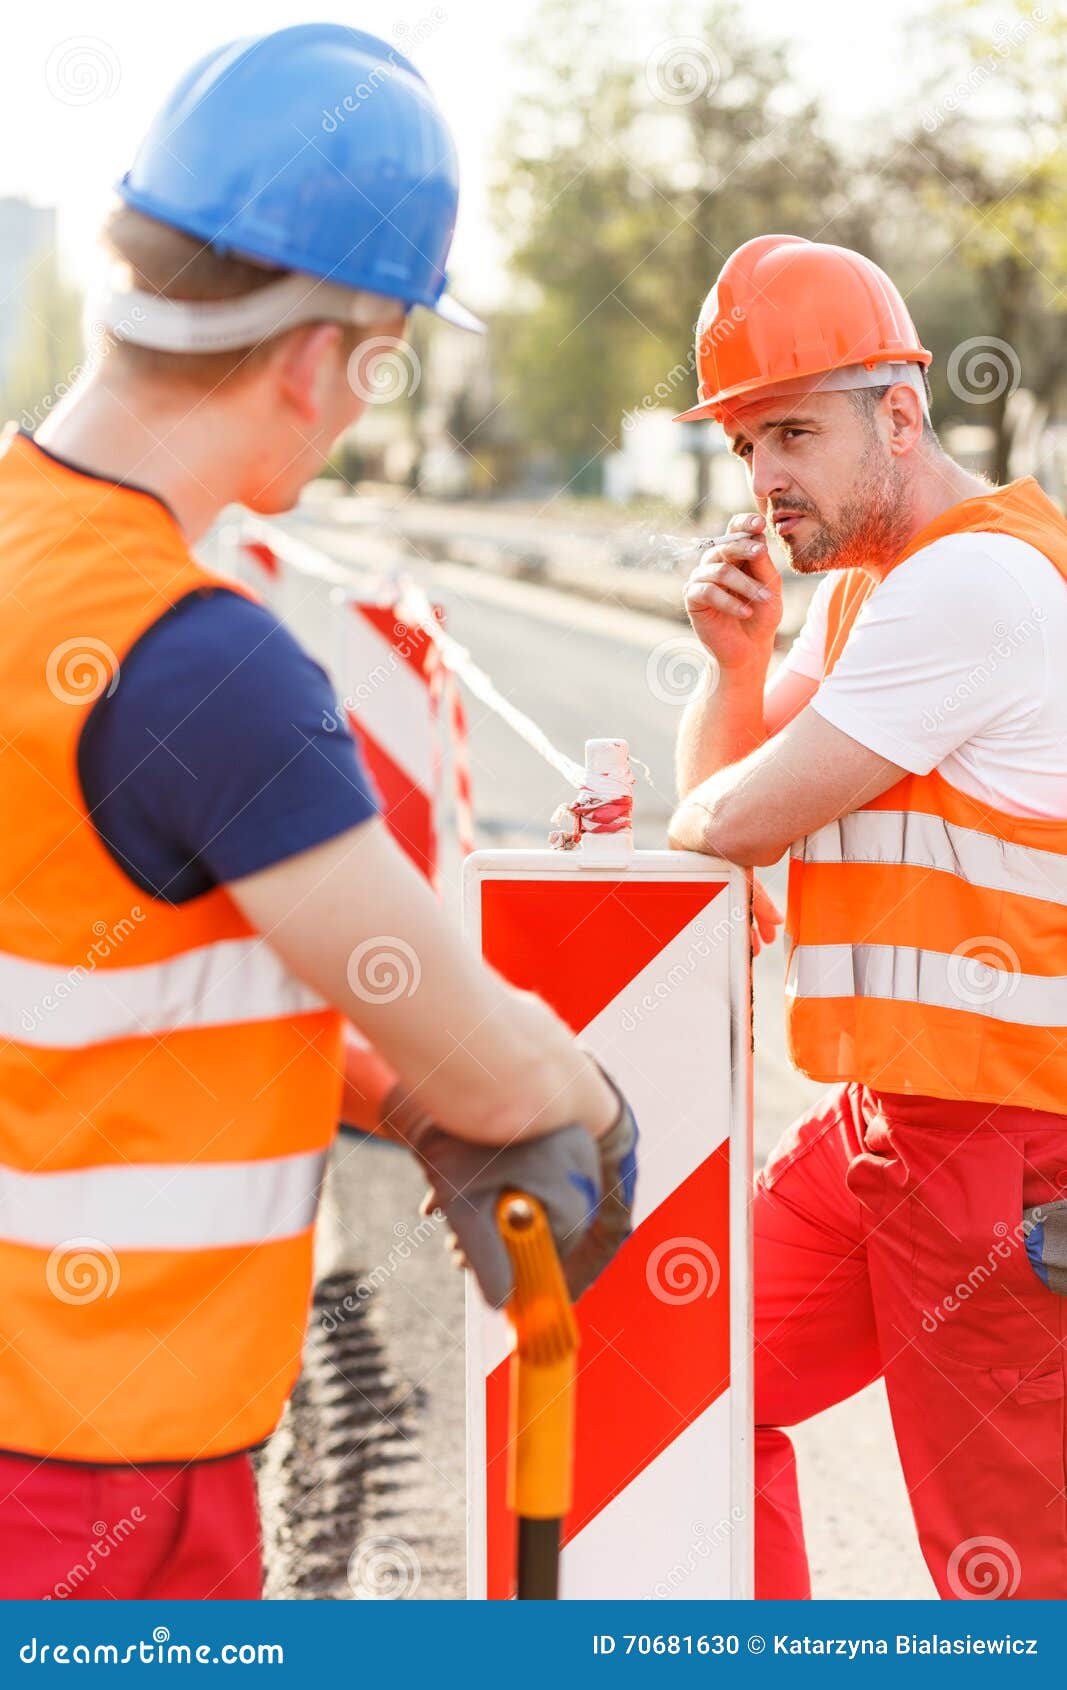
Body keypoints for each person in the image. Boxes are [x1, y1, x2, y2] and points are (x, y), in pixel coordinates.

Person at [0, 24, 636, 1600]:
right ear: (314, 358)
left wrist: (391, 1097)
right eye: (385, 354)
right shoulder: (206, 669)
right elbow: (478, 1055)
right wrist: (589, 1112)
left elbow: (101, 979)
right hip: (97, 1467)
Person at [669, 234, 1067, 1600]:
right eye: (741, 446)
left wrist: (691, 827)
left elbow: (728, 824)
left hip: (1009, 1150)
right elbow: (730, 784)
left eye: (791, 430)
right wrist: (729, 664)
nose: (764, 476)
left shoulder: (973, 582)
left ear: (900, 412)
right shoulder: (865, 590)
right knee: (690, 1380)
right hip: (890, 1130)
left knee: (1009, 1572)